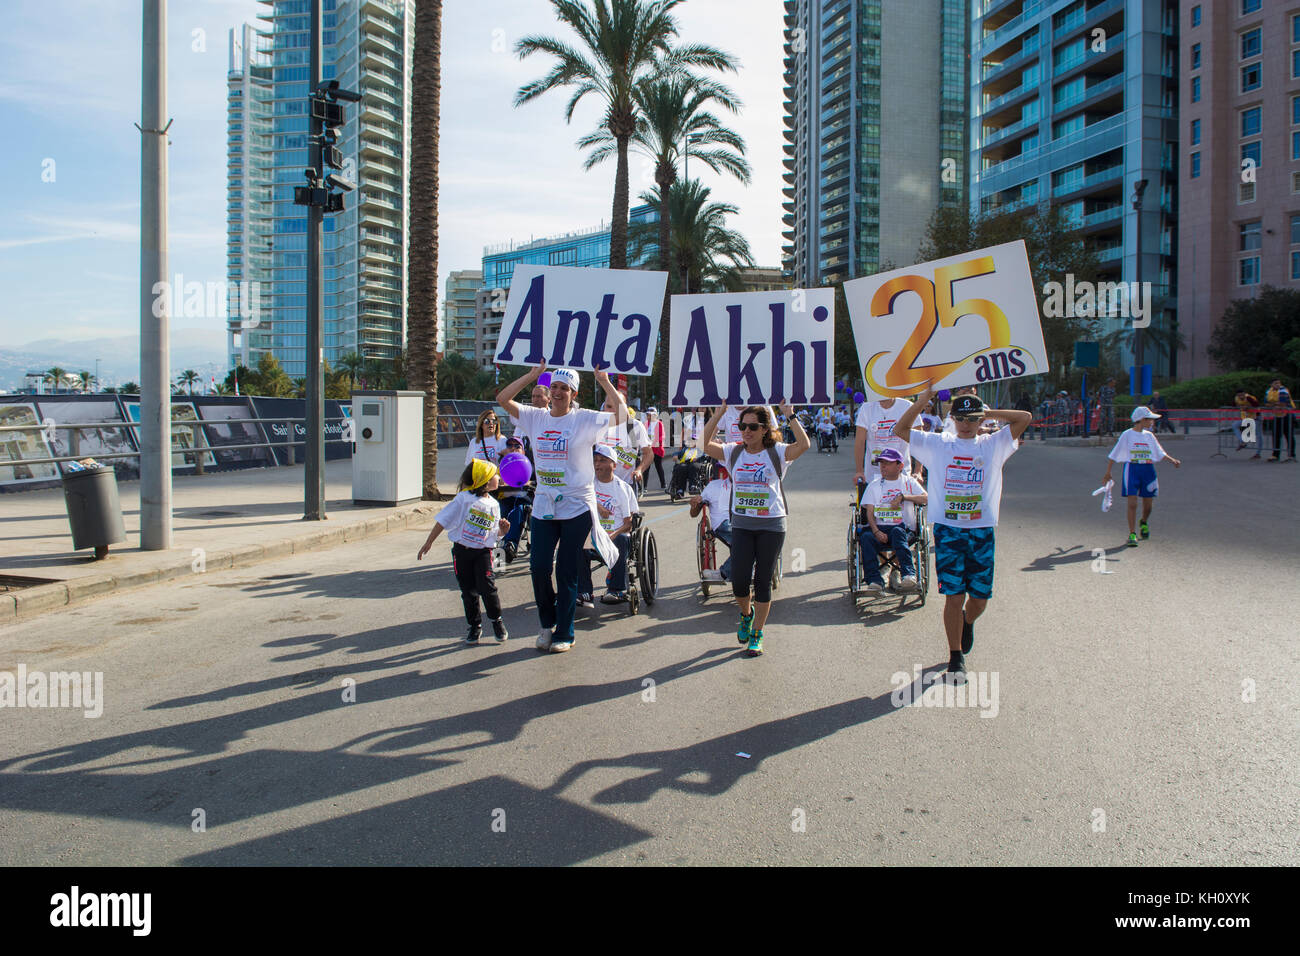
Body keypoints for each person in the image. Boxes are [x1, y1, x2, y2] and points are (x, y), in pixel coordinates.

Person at [893, 388, 1032, 679]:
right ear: (952, 419)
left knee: (979, 599)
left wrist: (986, 412)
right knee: (953, 596)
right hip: (948, 531)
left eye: (972, 418)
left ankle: (968, 621)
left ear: (979, 420)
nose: (967, 424)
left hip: (981, 531)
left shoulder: (992, 444)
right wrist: (921, 401)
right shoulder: (939, 444)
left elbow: (1024, 418)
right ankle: (955, 656)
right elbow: (901, 429)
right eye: (961, 417)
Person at [497, 363, 626, 654]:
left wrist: (604, 382)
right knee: (539, 566)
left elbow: (622, 415)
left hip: (577, 505)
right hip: (544, 504)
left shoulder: (584, 419)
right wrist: (531, 376)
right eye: (553, 387)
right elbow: (503, 399)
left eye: (563, 388)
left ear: (573, 393)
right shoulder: (535, 417)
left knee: (567, 571)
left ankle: (565, 632)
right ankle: (547, 623)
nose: (557, 392)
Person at [702, 402, 810, 657]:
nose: (746, 431)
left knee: (762, 581)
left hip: (771, 525)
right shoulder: (733, 452)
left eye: (752, 426)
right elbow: (704, 445)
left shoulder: (777, 452)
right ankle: (746, 614)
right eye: (742, 426)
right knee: (739, 581)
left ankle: (758, 633)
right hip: (741, 524)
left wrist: (789, 415)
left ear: (764, 429)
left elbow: (804, 446)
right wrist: (717, 416)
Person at [416, 459, 511, 644]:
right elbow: (443, 520)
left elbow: (494, 534)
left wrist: (503, 531)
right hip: (462, 553)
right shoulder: (463, 499)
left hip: (483, 553)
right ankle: (475, 626)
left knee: (488, 588)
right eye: (494, 475)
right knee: (468, 591)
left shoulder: (494, 504)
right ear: (483, 479)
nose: (498, 478)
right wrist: (429, 542)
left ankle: (496, 621)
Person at [1103, 405, 1181, 546]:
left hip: (1148, 470)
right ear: (1142, 420)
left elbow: (1160, 452)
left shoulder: (1149, 436)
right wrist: (1108, 472)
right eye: (1150, 419)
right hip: (1132, 468)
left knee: (1148, 505)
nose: (1152, 422)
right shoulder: (1127, 434)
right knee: (1132, 503)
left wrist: (1172, 460)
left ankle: (1143, 521)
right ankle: (1132, 533)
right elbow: (1115, 453)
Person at [857, 447, 927, 594]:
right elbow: (869, 512)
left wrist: (904, 497)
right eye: (881, 463)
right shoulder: (874, 485)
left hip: (903, 529)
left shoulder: (909, 483)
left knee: (897, 531)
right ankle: (875, 581)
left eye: (887, 463)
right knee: (866, 537)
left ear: (900, 466)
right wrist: (876, 531)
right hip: (879, 528)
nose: (883, 466)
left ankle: (908, 574)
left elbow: (926, 498)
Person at [582, 445, 637, 606]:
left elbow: (629, 525)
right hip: (594, 537)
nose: (597, 464)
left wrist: (611, 535)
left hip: (616, 536)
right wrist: (599, 507)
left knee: (620, 539)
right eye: (595, 461)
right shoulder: (588, 485)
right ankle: (584, 591)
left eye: (602, 461)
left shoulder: (623, 489)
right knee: (578, 542)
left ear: (613, 464)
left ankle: (616, 589)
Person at [854, 393, 913, 484]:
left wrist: (918, 470)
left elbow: (918, 442)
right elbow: (860, 442)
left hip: (901, 473)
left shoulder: (907, 406)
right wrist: (859, 471)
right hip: (874, 474)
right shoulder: (866, 408)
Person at [689, 461, 733, 581]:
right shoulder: (714, 485)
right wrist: (695, 504)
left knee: (753, 541)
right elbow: (693, 514)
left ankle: (728, 571)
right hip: (724, 524)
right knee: (748, 543)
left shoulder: (752, 486)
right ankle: (725, 573)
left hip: (747, 523)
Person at [601, 397, 652, 496]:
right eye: (609, 406)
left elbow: (648, 453)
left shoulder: (633, 426)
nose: (612, 411)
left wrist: (639, 470)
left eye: (617, 406)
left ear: (624, 407)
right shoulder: (598, 424)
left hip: (626, 486)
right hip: (599, 486)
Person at [497, 435, 533, 562]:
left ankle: (510, 544)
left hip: (523, 499)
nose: (513, 448)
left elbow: (535, 482)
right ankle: (503, 545)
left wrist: (529, 482)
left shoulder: (529, 465)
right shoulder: (503, 464)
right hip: (505, 497)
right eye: (510, 446)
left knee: (518, 510)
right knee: (500, 512)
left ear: (523, 450)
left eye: (517, 446)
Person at [1265, 379, 1296, 462]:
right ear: (1271, 384)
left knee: (1288, 435)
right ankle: (1275, 455)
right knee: (1276, 435)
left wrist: (1273, 404)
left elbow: (1282, 404)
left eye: (1279, 383)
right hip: (1277, 415)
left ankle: (1291, 455)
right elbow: (1266, 403)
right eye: (1275, 383)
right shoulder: (1269, 391)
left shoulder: (1283, 390)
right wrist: (1275, 404)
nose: (1278, 384)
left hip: (1287, 415)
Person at [644, 407, 667, 491]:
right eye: (647, 415)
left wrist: (654, 443)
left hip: (657, 449)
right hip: (648, 449)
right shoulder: (646, 423)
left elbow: (662, 436)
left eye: (650, 415)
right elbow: (643, 435)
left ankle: (663, 484)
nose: (648, 416)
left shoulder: (659, 423)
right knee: (646, 468)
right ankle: (644, 486)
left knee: (658, 466)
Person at [1234, 387, 1260, 455]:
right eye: (1239, 395)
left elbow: (1257, 405)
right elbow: (1235, 405)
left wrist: (1248, 407)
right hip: (1246, 417)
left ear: (1245, 394)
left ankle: (1258, 453)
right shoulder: (1236, 398)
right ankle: (1243, 441)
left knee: (1259, 435)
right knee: (1235, 425)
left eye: (1242, 395)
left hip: (1255, 417)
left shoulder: (1249, 398)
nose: (1241, 397)